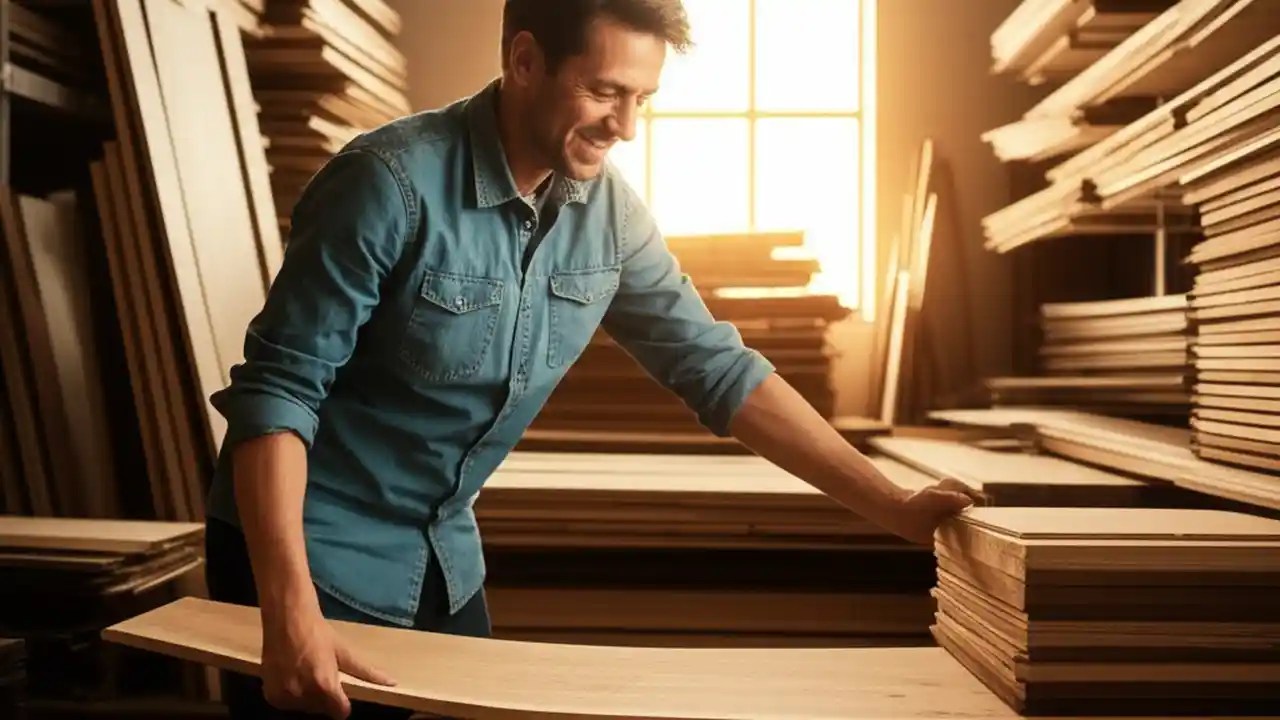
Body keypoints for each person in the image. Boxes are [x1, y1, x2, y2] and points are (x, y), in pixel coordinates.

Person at [202, 0, 979, 717]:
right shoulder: (386, 185)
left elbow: (718, 369)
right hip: (307, 558)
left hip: (443, 561)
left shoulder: (610, 217)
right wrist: (289, 609)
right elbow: (279, 395)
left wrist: (894, 507)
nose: (627, 127)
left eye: (644, 98)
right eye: (607, 91)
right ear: (526, 60)